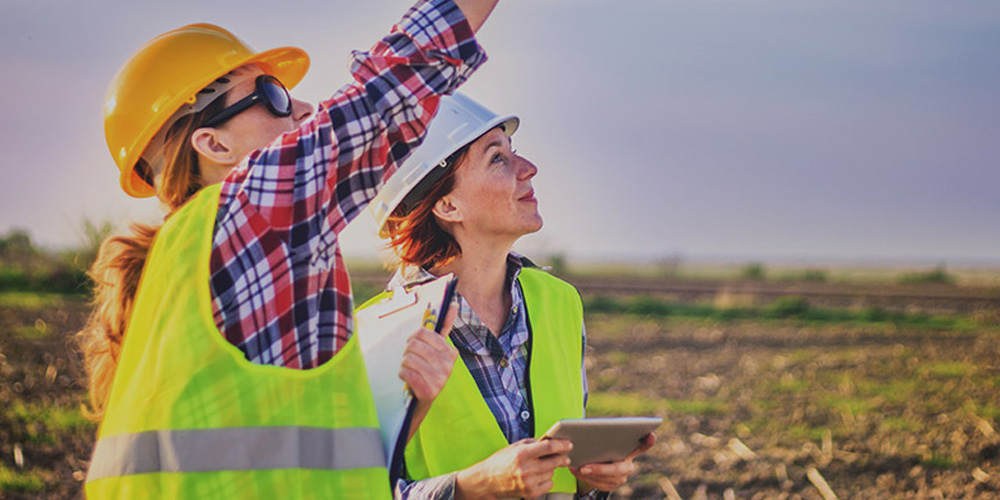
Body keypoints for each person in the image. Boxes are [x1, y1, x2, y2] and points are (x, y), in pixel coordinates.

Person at [77, 1, 500, 497]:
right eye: (272, 95)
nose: (304, 108)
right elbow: (387, 92)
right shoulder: (252, 215)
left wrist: (404, 408)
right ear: (213, 145)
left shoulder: (170, 272)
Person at [360, 93, 656, 500]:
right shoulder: (376, 335)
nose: (529, 169)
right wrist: (471, 488)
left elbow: (562, 473)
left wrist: (586, 479)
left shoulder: (559, 301)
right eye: (497, 158)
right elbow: (356, 491)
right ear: (447, 204)